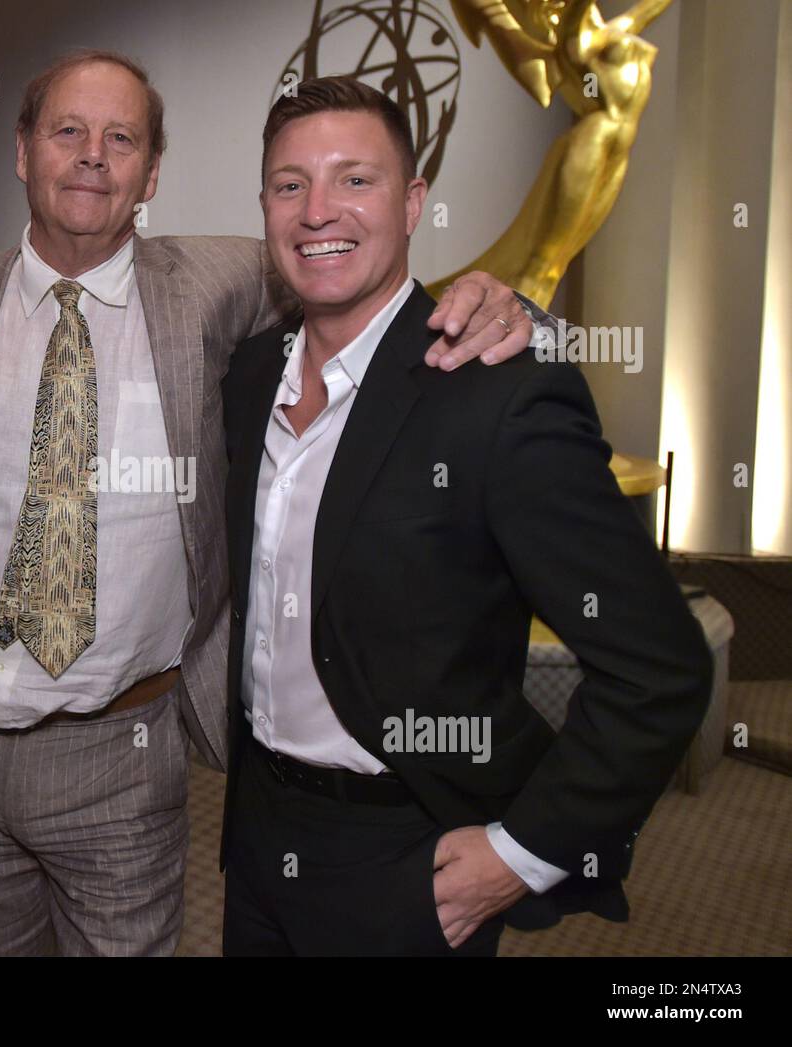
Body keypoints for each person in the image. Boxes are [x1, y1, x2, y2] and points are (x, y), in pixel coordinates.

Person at [0, 50, 546, 956]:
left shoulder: (222, 282)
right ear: (22, 152)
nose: (94, 155)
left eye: (122, 138)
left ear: (152, 171)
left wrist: (494, 300)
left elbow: (359, 265)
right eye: (68, 131)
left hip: (125, 755)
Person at [219, 75, 712, 956]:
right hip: (257, 840)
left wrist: (521, 856)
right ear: (264, 206)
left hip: (410, 854)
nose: (317, 209)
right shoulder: (250, 374)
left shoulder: (498, 396)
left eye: (355, 180)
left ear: (413, 204)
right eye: (290, 185)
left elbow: (660, 666)